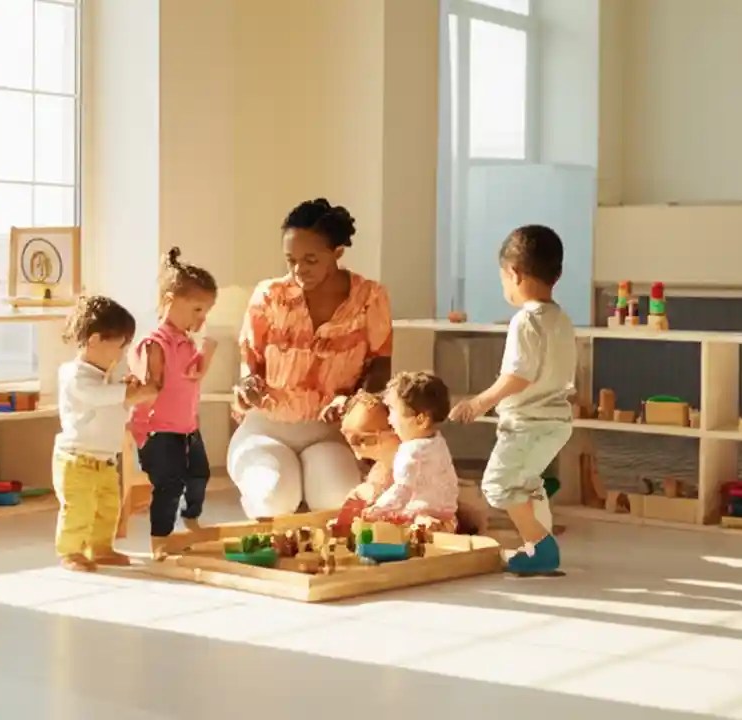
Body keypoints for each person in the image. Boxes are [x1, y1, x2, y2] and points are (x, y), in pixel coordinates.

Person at [228, 198, 393, 518]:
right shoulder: (269, 295)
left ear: (337, 252)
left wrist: (356, 404)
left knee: (336, 503)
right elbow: (250, 360)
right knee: (274, 501)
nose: (298, 270)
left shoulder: (371, 297)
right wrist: (248, 383)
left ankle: (304, 494)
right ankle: (269, 496)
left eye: (311, 260)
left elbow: (380, 364)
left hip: (330, 433)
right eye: (290, 260)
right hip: (266, 429)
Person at [449, 225, 576, 575]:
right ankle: (537, 543)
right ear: (557, 274)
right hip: (555, 423)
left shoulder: (525, 321)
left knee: (498, 485)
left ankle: (541, 547)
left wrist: (479, 402)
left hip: (527, 425)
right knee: (527, 483)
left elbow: (518, 376)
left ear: (514, 273)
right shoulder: (561, 319)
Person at [53, 296, 157, 572]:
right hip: (77, 460)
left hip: (106, 459)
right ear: (95, 340)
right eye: (119, 346)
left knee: (108, 508)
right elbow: (96, 397)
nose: (121, 354)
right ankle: (71, 551)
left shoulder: (107, 377)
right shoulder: (74, 374)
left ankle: (100, 548)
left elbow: (115, 407)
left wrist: (129, 395)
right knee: (79, 509)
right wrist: (127, 393)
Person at [130, 248, 219, 558]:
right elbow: (149, 387)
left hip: (187, 426)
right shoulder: (155, 344)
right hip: (159, 430)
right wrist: (139, 431)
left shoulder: (185, 342)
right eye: (197, 310)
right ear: (170, 300)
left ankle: (190, 518)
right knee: (170, 485)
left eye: (205, 312)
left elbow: (193, 376)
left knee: (199, 476)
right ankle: (160, 540)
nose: (201, 318)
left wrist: (207, 353)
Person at [362, 372, 459, 531]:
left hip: (420, 517)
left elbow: (402, 490)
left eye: (393, 411)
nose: (389, 420)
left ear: (421, 420)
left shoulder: (411, 451)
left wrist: (377, 509)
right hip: (448, 516)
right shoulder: (437, 441)